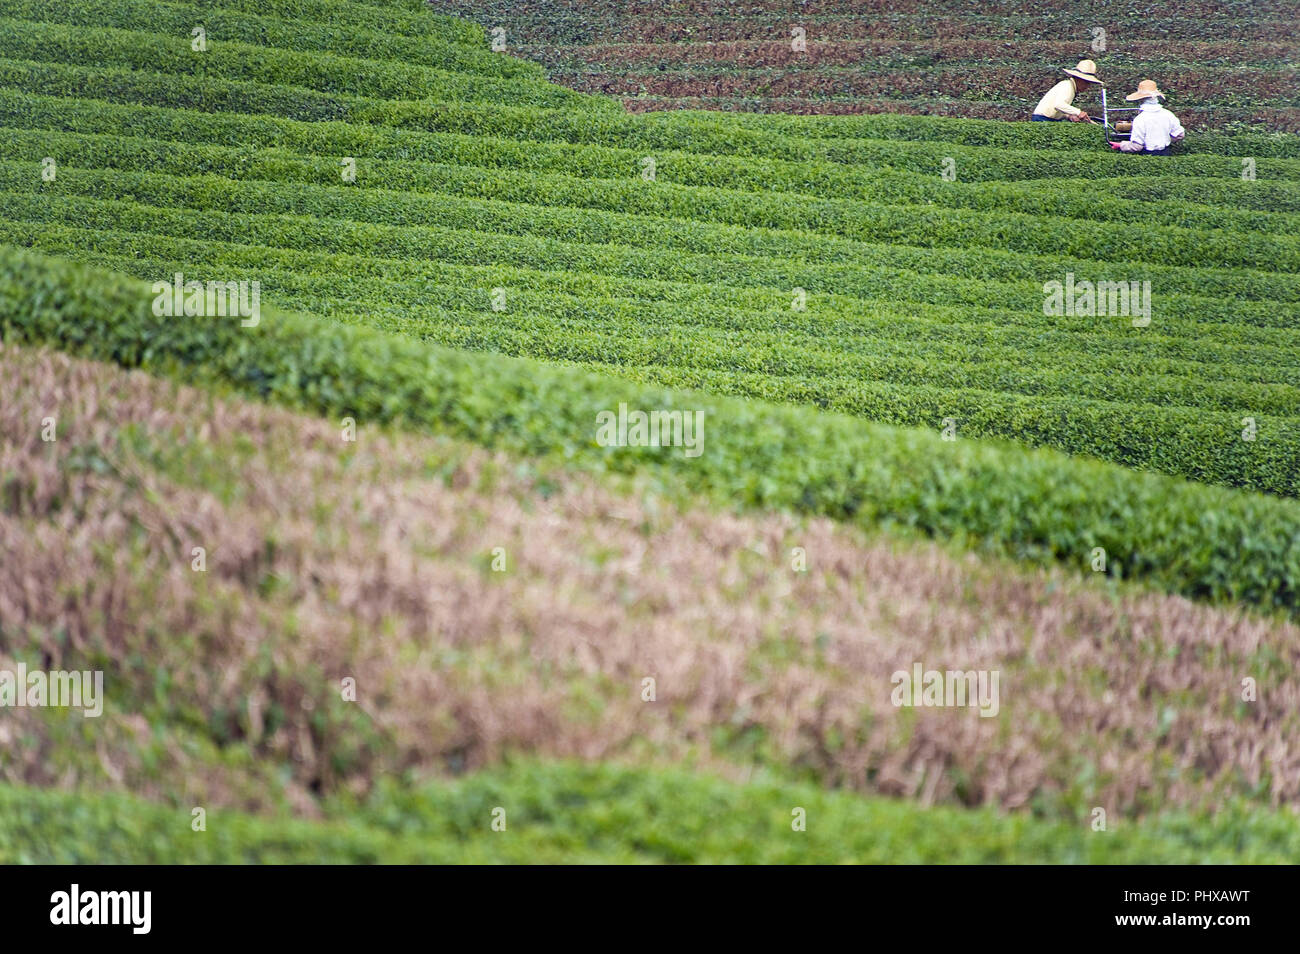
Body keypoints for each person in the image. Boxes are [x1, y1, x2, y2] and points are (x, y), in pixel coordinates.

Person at [1114, 79, 1185, 154]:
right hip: (1166, 154)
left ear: (1140, 100)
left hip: (1147, 155)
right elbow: (1180, 135)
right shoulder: (1168, 114)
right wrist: (1165, 139)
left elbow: (1137, 146)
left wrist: (1121, 145)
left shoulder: (1140, 119)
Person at [1032, 59, 1103, 122]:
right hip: (1042, 119)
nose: (1087, 86)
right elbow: (1059, 105)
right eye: (1086, 82)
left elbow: (1058, 109)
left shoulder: (1070, 87)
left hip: (1049, 119)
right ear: (1078, 79)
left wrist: (1069, 116)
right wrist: (1078, 112)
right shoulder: (1067, 86)